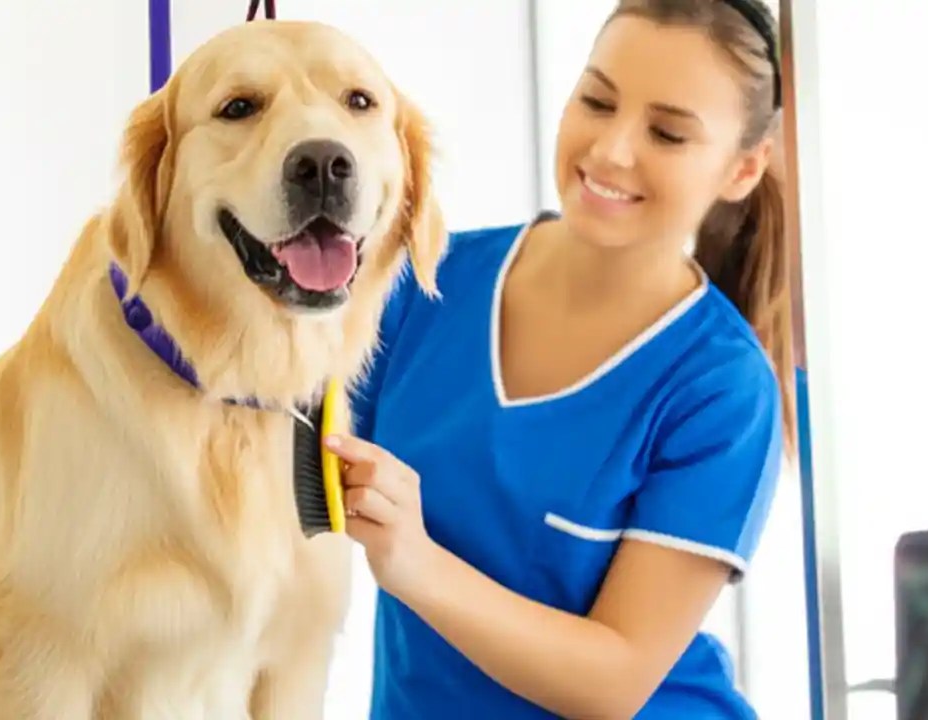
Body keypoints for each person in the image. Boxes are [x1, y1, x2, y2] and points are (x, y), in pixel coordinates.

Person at [321, 1, 795, 717]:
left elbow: (614, 679)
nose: (610, 150)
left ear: (743, 167)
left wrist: (414, 564)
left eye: (667, 132)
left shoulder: (721, 388)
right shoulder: (421, 282)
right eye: (597, 100)